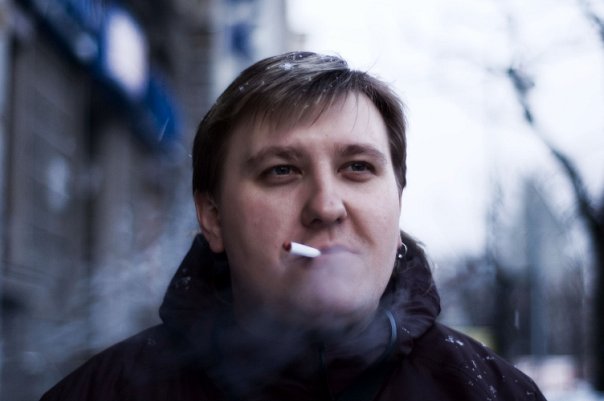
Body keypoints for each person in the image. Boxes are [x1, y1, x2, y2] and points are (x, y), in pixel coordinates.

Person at [40, 51, 546, 401]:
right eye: (281, 171)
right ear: (212, 216)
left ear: (397, 202)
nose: (326, 206)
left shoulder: (494, 393)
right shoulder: (106, 393)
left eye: (358, 168)